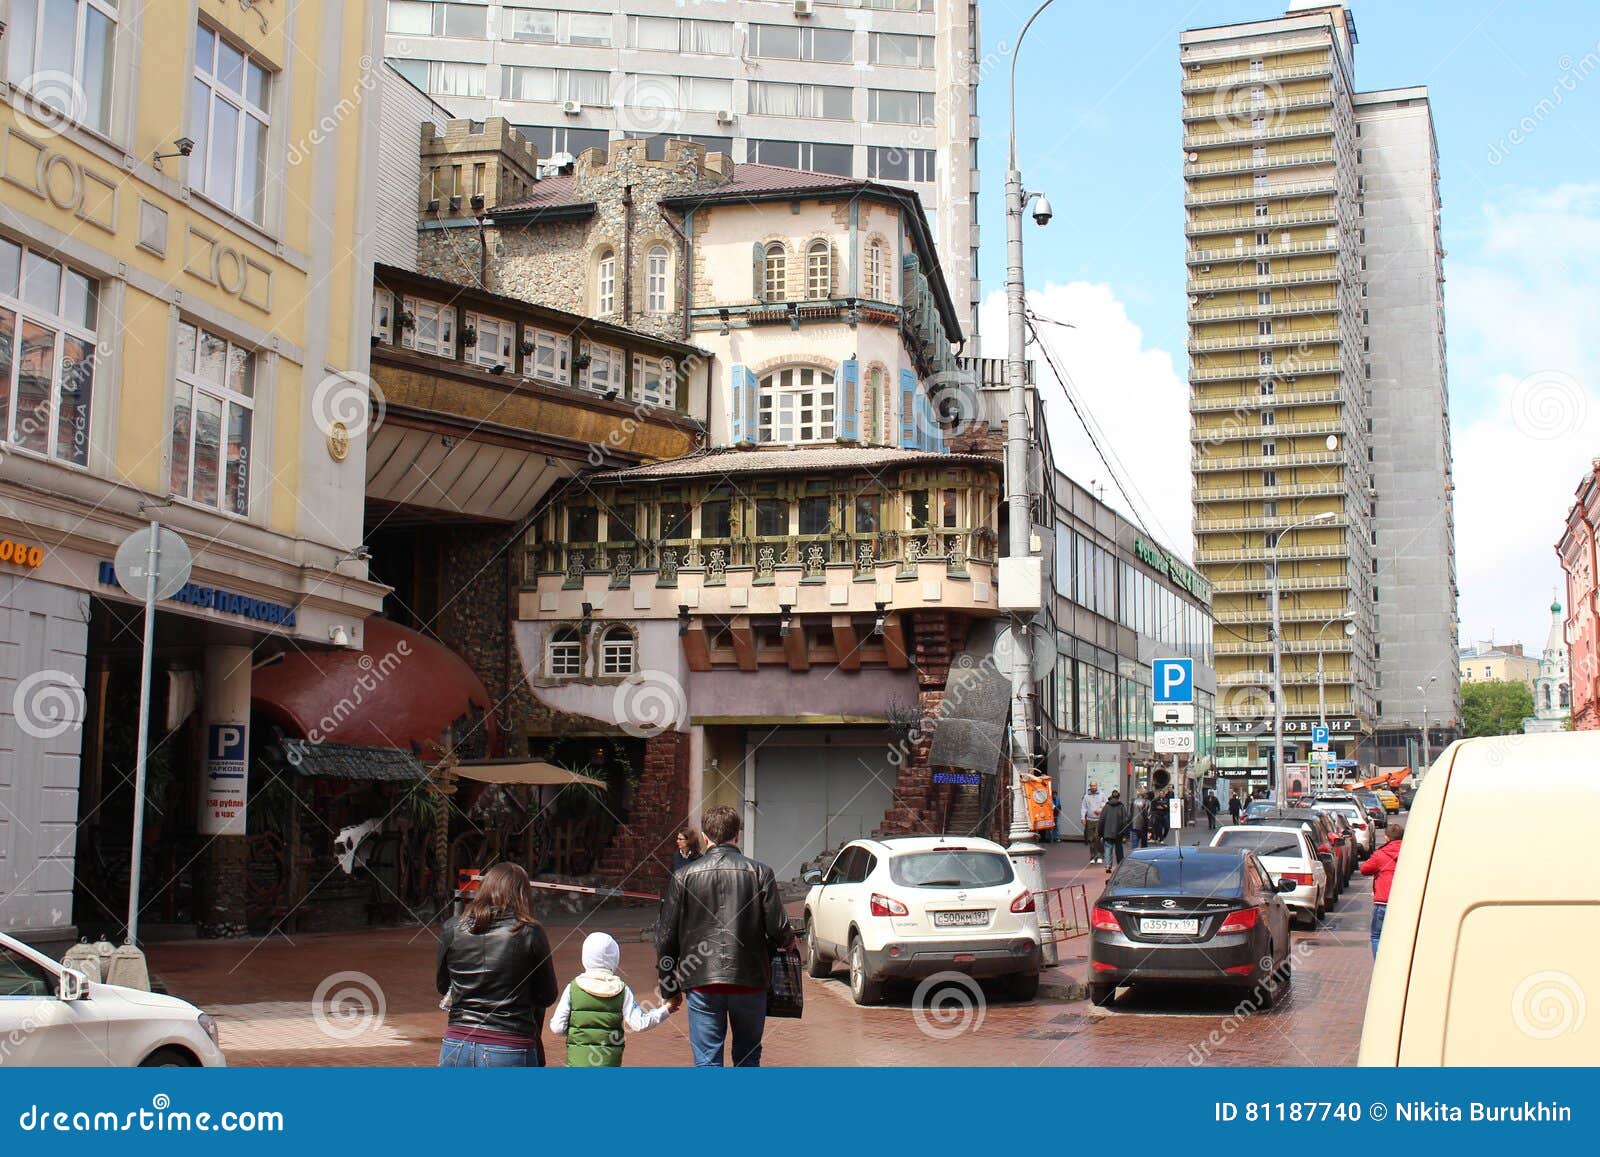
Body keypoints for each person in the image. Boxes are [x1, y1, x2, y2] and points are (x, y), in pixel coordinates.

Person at [655, 804, 794, 1067]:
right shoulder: (760, 872)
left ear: (705, 837)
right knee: (748, 1058)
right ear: (737, 836)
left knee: (707, 1062)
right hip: (749, 979)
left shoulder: (683, 876)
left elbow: (666, 938)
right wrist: (789, 941)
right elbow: (778, 928)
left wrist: (668, 988)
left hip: (701, 981)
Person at [436, 862, 559, 1067]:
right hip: (509, 1042)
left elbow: (443, 986)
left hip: (458, 1039)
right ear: (522, 893)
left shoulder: (453, 928)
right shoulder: (530, 932)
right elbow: (547, 995)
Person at [549, 932, 673, 1066]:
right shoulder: (622, 990)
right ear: (615, 957)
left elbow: (557, 1027)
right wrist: (666, 1009)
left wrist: (577, 1033)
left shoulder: (572, 988)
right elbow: (640, 1024)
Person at [1360, 822, 1405, 956]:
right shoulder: (1410, 852)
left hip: (1383, 902)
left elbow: (1364, 869)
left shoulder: (1381, 854)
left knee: (1377, 936)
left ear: (1386, 838)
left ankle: (1380, 968)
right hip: (1404, 904)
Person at [1098, 789, 1129, 872]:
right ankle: (1120, 865)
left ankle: (1108, 865)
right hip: (1118, 832)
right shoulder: (1121, 807)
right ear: (1118, 797)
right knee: (1119, 848)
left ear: (1111, 796)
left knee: (1108, 848)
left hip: (1107, 832)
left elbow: (1102, 820)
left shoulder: (1106, 806)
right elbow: (1125, 821)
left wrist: (1100, 832)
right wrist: (1125, 834)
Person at [1080, 781, 1107, 864]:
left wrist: (1100, 809)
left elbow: (1106, 804)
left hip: (1099, 820)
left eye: (1094, 786)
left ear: (1097, 786)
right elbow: (1083, 807)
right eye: (1091, 786)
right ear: (1090, 786)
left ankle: (1099, 856)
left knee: (1097, 838)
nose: (1093, 787)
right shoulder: (1086, 796)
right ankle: (1092, 856)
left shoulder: (1102, 794)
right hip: (1089, 820)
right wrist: (1082, 817)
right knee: (1091, 839)